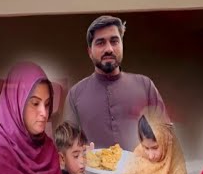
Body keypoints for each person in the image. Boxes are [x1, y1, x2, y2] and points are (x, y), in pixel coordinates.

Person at [65, 16, 166, 150]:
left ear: (122, 45)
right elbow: (68, 147)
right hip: (93, 171)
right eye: (100, 42)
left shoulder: (145, 86)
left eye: (114, 41)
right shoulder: (75, 94)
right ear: (89, 52)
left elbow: (166, 135)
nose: (109, 49)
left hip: (141, 170)